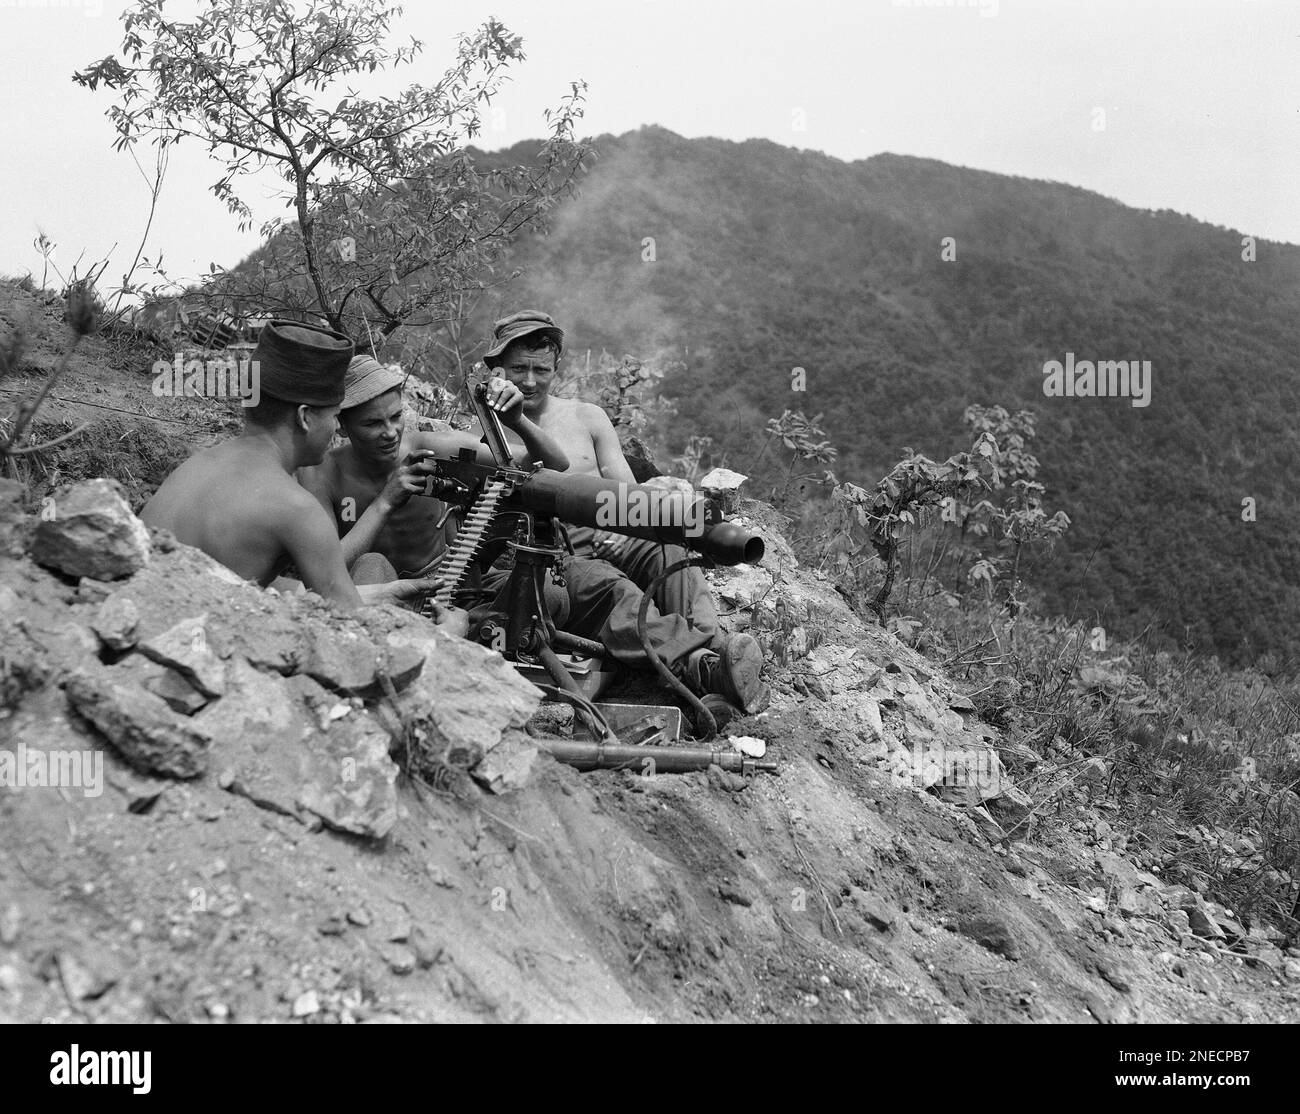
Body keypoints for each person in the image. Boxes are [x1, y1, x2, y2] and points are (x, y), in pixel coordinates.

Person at [482, 310, 767, 715]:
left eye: (540, 369)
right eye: (517, 369)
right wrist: (510, 417)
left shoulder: (588, 417)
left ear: (555, 368)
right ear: (496, 370)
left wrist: (622, 529)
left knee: (672, 554)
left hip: (615, 530)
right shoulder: (492, 431)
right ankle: (703, 667)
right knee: (611, 589)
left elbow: (629, 494)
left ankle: (716, 649)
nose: (529, 381)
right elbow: (523, 483)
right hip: (558, 559)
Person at [140, 321, 440, 615]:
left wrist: (373, 593)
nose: (337, 427)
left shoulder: (194, 465)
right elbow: (354, 630)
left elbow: (230, 578)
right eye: (335, 415)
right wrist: (449, 634)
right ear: (305, 417)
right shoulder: (296, 508)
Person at [297, 354, 569, 580]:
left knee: (551, 595)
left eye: (395, 417)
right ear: (342, 426)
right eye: (373, 424)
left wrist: (517, 420)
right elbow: (322, 569)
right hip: (377, 595)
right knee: (372, 565)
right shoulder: (321, 474)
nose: (391, 433)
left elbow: (554, 465)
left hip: (444, 584)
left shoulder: (433, 447)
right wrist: (385, 501)